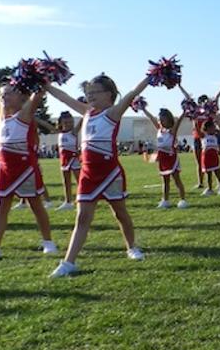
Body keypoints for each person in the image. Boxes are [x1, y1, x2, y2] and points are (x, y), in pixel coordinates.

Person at [44, 72, 152, 277]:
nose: (90, 96)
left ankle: (131, 247)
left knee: (120, 213)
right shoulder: (86, 112)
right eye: (88, 93)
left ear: (110, 94)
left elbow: (132, 93)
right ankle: (68, 262)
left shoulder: (113, 113)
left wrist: (151, 77)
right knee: (82, 217)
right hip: (87, 173)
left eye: (95, 92)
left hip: (109, 172)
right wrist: (45, 84)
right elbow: (63, 97)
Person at [0, 81, 58, 263]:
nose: (4, 97)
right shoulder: (2, 116)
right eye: (2, 95)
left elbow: (36, 97)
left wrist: (39, 84)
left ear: (22, 97)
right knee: (1, 207)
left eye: (9, 93)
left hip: (25, 168)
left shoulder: (25, 114)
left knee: (36, 206)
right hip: (6, 169)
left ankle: (48, 241)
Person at [138, 106, 189, 208]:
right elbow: (151, 118)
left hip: (171, 157)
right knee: (165, 181)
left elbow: (178, 121)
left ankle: (182, 200)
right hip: (162, 158)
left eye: (163, 119)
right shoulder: (159, 129)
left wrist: (185, 111)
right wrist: (143, 109)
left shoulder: (172, 131)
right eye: (160, 119)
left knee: (176, 179)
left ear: (168, 119)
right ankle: (165, 200)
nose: (160, 121)